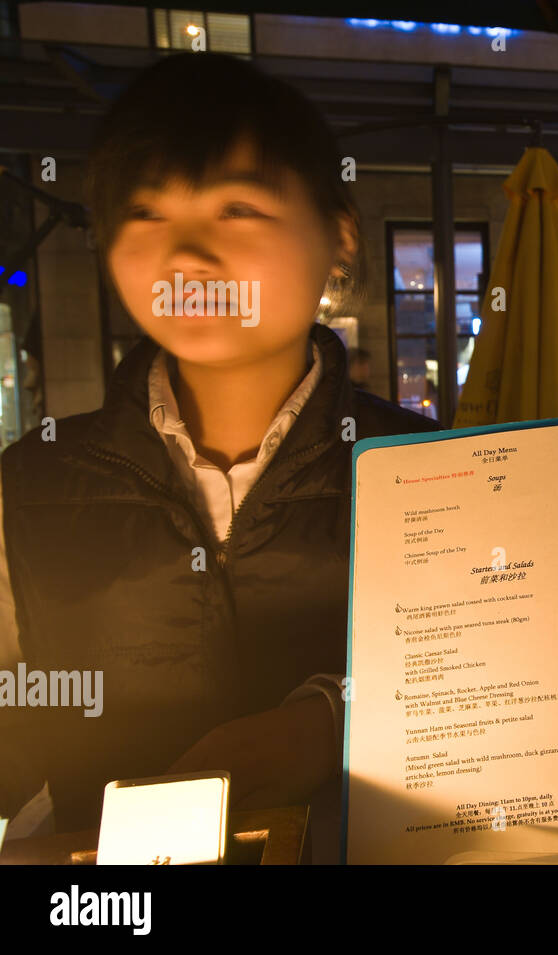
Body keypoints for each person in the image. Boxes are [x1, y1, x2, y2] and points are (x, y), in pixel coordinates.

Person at [0, 53, 441, 835]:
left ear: (338, 235)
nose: (189, 256)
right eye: (146, 214)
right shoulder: (30, 483)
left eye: (238, 209)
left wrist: (334, 719)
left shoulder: (438, 473)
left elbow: (500, 705)